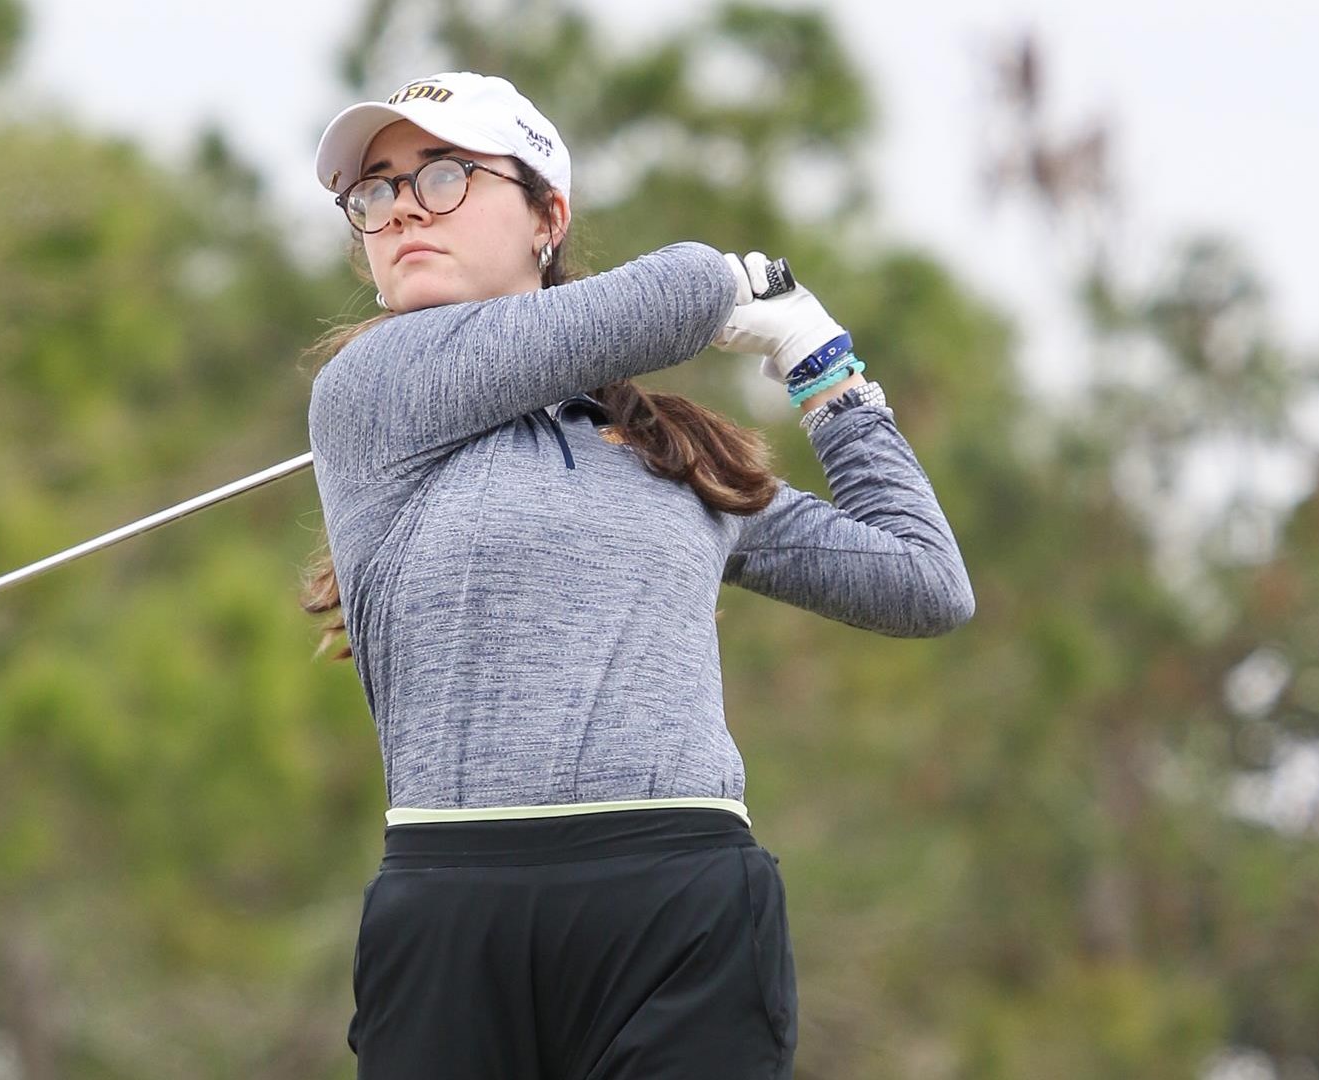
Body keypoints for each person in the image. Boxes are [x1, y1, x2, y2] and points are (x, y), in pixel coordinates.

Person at [299, 71, 974, 1080]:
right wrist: (736, 289)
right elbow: (693, 287)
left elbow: (925, 582)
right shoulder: (370, 393)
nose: (399, 209)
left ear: (547, 216)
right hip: (453, 909)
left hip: (679, 907)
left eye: (442, 175)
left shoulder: (669, 453)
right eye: (373, 193)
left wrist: (823, 364)